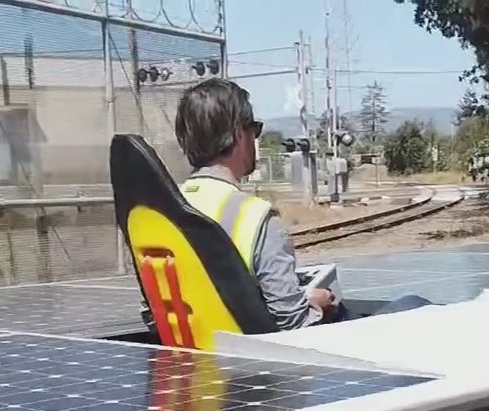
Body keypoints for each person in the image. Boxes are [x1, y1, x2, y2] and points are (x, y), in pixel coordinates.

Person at [164, 78, 430, 331]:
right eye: (254, 129)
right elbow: (292, 323)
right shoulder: (255, 217)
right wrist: (317, 303)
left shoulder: (162, 212)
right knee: (415, 306)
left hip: (198, 357)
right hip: (262, 364)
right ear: (239, 136)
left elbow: (160, 311)